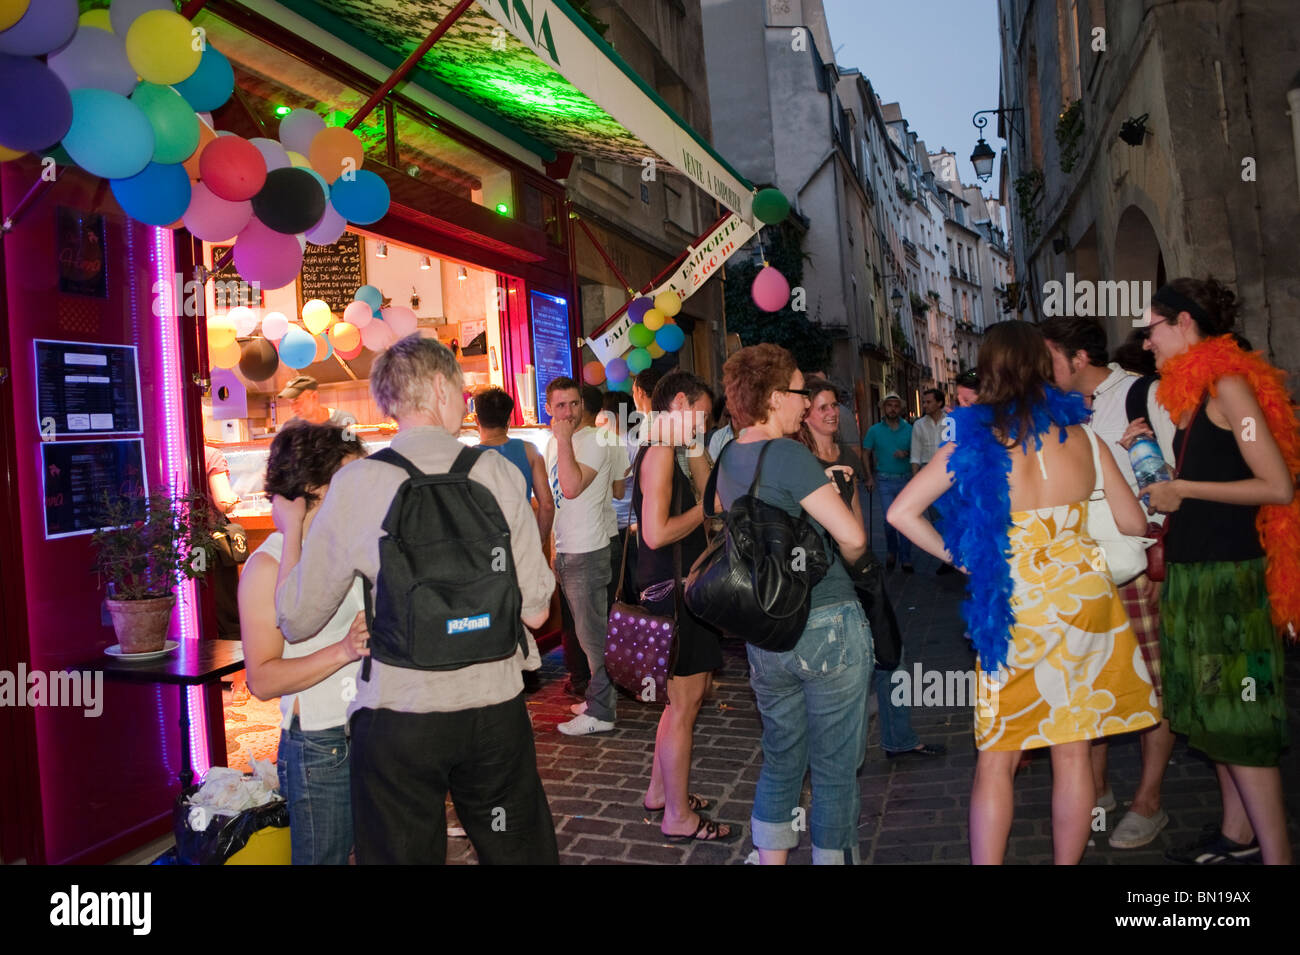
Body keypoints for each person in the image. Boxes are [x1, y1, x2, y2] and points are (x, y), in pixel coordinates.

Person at [273, 335, 557, 864]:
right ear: (437, 388)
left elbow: (295, 618)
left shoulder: (357, 482)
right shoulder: (495, 472)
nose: (466, 401)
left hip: (399, 716)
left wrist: (291, 532)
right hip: (492, 710)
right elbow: (537, 609)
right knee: (519, 851)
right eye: (461, 388)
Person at [887, 320, 1159, 865]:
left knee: (997, 755)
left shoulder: (974, 441)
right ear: (1042, 368)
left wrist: (961, 557)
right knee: (1074, 751)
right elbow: (1134, 524)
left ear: (989, 372)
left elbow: (900, 512)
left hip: (1015, 605)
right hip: (1084, 602)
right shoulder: (1085, 436)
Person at [1134, 278, 1297, 866]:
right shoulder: (1195, 393)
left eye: (1151, 329)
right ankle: (1237, 834)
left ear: (1184, 324)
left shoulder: (1229, 388)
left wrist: (1182, 488)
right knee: (1214, 715)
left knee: (1243, 718)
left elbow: (1276, 485)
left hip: (1231, 587)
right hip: (1198, 580)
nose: (1146, 343)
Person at [714, 344, 872, 864]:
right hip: (825, 620)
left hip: (767, 632)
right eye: (802, 392)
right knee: (833, 769)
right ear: (776, 396)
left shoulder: (730, 456)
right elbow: (851, 537)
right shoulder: (788, 454)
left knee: (781, 758)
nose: (807, 404)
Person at [1041, 315, 1178, 849]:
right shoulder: (1056, 410)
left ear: (1078, 358)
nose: (1041, 369)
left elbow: (1174, 483)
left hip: (1138, 566)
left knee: (1153, 686)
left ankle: (1149, 801)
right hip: (1081, 574)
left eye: (1049, 357)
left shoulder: (1146, 393)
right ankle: (1096, 789)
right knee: (1090, 683)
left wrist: (1159, 563)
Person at [239, 424, 369, 865]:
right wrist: (343, 651)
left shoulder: (347, 545)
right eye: (348, 479)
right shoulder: (268, 565)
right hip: (321, 745)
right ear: (312, 487)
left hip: (373, 726)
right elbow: (262, 677)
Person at [798, 378, 945, 761]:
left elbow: (857, 519)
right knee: (843, 669)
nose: (833, 413)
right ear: (805, 414)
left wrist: (867, 562)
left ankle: (899, 737)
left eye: (835, 406)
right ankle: (837, 754)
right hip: (824, 577)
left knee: (890, 652)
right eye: (823, 407)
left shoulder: (845, 453)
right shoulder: (798, 459)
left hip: (860, 569)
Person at [631, 370, 737, 842]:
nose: (707, 423)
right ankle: (678, 816)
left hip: (680, 587)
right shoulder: (657, 452)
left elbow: (707, 493)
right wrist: (707, 512)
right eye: (702, 413)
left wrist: (695, 448)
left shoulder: (675, 448)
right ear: (678, 402)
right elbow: (656, 533)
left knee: (680, 704)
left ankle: (661, 793)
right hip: (672, 592)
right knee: (685, 704)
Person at [547, 376, 620, 735]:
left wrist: (562, 440)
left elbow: (571, 488)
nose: (569, 411)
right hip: (568, 550)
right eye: (561, 405)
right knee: (584, 632)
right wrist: (552, 552)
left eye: (574, 403)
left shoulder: (593, 440)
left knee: (593, 636)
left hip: (588, 549)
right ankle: (596, 698)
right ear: (549, 409)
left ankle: (602, 712)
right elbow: (558, 505)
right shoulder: (555, 444)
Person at [476, 386, 552, 692]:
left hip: (484, 553)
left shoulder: (467, 459)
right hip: (519, 546)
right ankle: (521, 673)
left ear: (476, 418)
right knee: (523, 611)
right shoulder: (529, 451)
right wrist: (539, 542)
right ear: (510, 417)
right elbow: (546, 504)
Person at [862, 392, 914, 571]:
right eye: (889, 405)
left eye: (896, 405)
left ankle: (906, 558)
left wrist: (907, 454)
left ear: (901, 409)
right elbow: (865, 452)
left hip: (906, 480)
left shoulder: (910, 430)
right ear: (883, 408)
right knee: (888, 520)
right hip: (884, 481)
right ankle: (892, 552)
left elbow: (917, 452)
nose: (893, 408)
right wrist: (869, 477)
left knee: (906, 520)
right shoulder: (874, 430)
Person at [600, 390, 638, 607]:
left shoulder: (610, 445)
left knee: (619, 585)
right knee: (632, 583)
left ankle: (625, 629)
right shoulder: (636, 442)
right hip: (631, 521)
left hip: (617, 523)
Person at [911, 388, 955, 575]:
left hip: (952, 473)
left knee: (954, 517)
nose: (925, 405)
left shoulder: (952, 422)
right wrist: (916, 483)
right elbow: (915, 455)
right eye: (925, 401)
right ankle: (947, 558)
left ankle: (959, 554)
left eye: (929, 402)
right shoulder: (919, 425)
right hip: (929, 473)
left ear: (939, 403)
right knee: (937, 518)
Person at [278, 375, 358, 430]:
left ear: (314, 396)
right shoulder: (289, 427)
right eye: (290, 402)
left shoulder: (345, 420)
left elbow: (355, 453)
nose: (293, 408)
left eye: (297, 401)